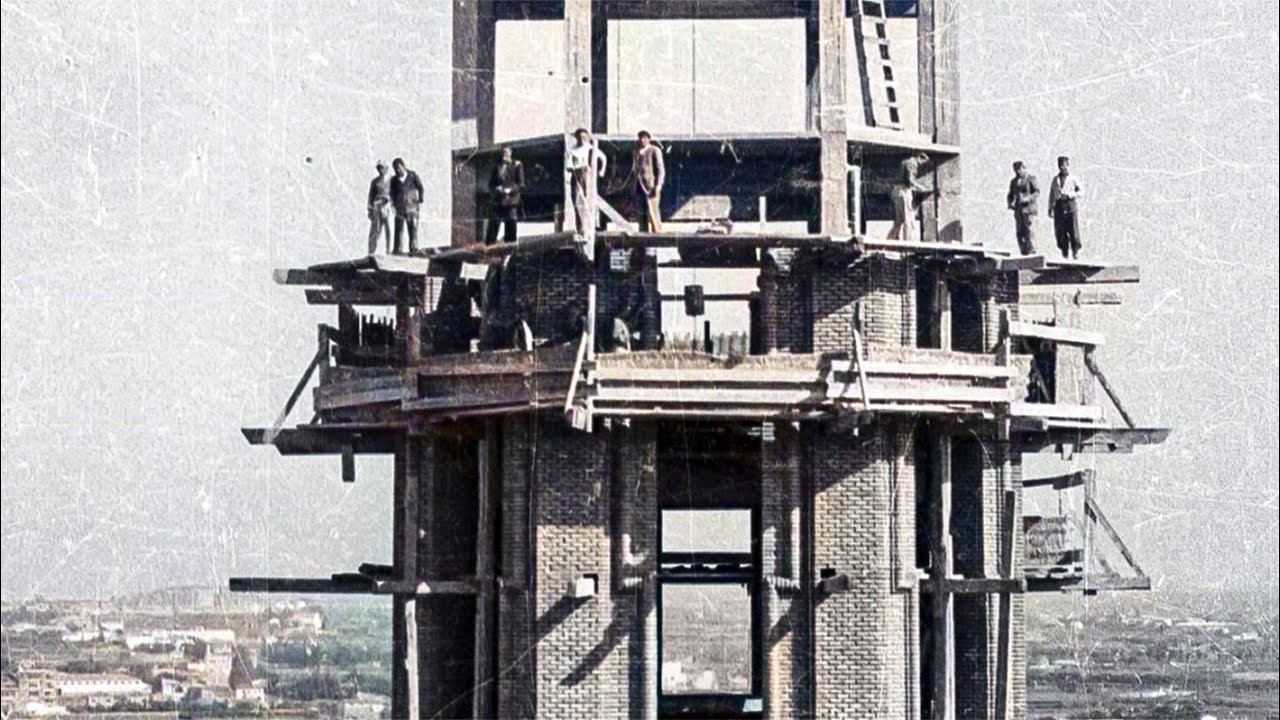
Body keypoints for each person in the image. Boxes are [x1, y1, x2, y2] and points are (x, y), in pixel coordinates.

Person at [565, 128, 606, 235]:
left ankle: (590, 227)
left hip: (586, 173)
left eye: (584, 137)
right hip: (576, 173)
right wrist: (570, 166)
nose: (582, 139)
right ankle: (580, 228)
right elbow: (568, 165)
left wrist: (601, 171)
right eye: (580, 137)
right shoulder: (572, 149)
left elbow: (603, 158)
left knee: (588, 200)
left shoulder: (590, 148)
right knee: (576, 200)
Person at [1047, 155, 1084, 259]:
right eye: (1060, 165)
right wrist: (1050, 208)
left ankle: (1075, 252)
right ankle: (1064, 253)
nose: (1063, 168)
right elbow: (1051, 194)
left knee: (1073, 229)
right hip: (1059, 206)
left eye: (1064, 165)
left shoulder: (1073, 179)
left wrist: (1071, 194)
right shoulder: (1055, 179)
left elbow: (1081, 191)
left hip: (1070, 205)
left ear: (1068, 165)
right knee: (1061, 231)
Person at [486, 147, 524, 245]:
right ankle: (489, 249)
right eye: (503, 153)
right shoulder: (496, 166)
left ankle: (509, 252)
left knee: (511, 229)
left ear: (510, 153)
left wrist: (510, 190)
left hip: (511, 202)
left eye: (506, 152)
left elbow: (520, 184)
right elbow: (491, 184)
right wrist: (497, 189)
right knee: (492, 228)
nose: (504, 155)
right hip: (498, 202)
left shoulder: (517, 165)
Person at [888, 152, 929, 242]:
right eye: (923, 162)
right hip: (903, 192)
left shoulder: (905, 161)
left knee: (899, 219)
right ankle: (908, 241)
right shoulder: (912, 163)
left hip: (896, 191)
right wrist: (920, 187)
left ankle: (891, 239)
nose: (922, 164)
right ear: (920, 158)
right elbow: (910, 180)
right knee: (908, 217)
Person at [630, 130, 664, 233]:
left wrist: (659, 184)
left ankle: (657, 232)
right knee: (641, 211)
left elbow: (660, 169)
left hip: (651, 186)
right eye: (640, 138)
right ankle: (643, 234)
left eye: (644, 138)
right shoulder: (636, 151)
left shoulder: (655, 150)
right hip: (638, 185)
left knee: (653, 210)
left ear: (649, 139)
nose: (642, 140)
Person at [389, 157, 425, 254]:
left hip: (411, 208)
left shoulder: (412, 175)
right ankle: (397, 250)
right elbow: (391, 193)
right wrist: (392, 204)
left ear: (403, 166)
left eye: (399, 167)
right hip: (399, 208)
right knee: (399, 230)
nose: (398, 170)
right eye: (396, 169)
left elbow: (420, 188)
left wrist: (420, 200)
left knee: (412, 229)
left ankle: (413, 250)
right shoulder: (393, 180)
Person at [1006, 160, 1040, 255]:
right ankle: (1023, 252)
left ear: (1023, 168)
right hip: (1018, 210)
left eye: (1019, 169)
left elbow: (1037, 192)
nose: (1018, 171)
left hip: (1029, 210)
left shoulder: (1030, 178)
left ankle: (1032, 252)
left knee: (1030, 232)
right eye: (1015, 170)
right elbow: (1010, 194)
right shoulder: (1013, 182)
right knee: (1020, 233)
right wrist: (1010, 203)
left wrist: (1027, 199)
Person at [366, 160, 392, 255]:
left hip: (388, 205)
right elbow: (370, 196)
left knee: (389, 229)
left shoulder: (392, 180)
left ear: (386, 168)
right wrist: (370, 209)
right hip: (377, 205)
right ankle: (371, 252)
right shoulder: (375, 181)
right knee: (375, 229)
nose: (380, 170)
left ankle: (389, 250)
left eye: (382, 167)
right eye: (379, 168)